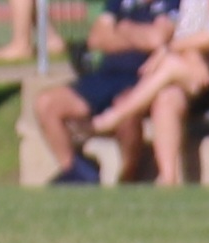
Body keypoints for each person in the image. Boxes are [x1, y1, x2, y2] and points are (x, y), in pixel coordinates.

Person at [92, 0, 209, 187]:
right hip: (202, 72)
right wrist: (192, 58)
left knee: (171, 63)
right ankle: (169, 178)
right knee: (167, 96)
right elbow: (185, 34)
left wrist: (169, 50)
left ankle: (114, 116)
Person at [31, 0, 176, 183]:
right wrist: (141, 37)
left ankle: (128, 177)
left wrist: (122, 28)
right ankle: (76, 172)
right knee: (46, 103)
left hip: (142, 78)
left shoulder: (171, 3)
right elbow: (96, 38)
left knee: (127, 111)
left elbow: (157, 38)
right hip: (105, 76)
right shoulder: (119, 3)